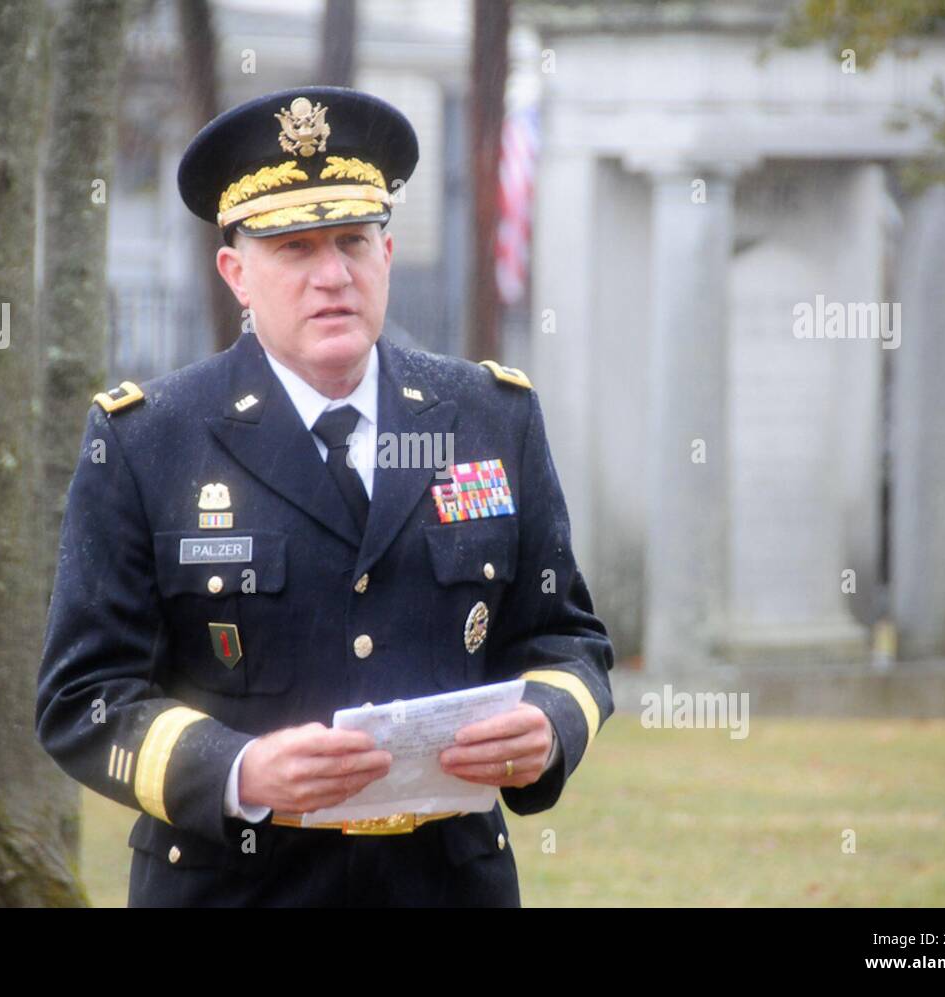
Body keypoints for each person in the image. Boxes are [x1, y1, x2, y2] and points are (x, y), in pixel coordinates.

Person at [35, 85, 615, 907]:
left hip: (446, 886)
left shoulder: (492, 416)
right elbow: (83, 696)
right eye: (295, 248)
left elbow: (570, 642)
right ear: (237, 272)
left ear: (387, 253)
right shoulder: (146, 439)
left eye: (352, 240)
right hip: (233, 887)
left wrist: (551, 724)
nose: (332, 274)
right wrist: (239, 768)